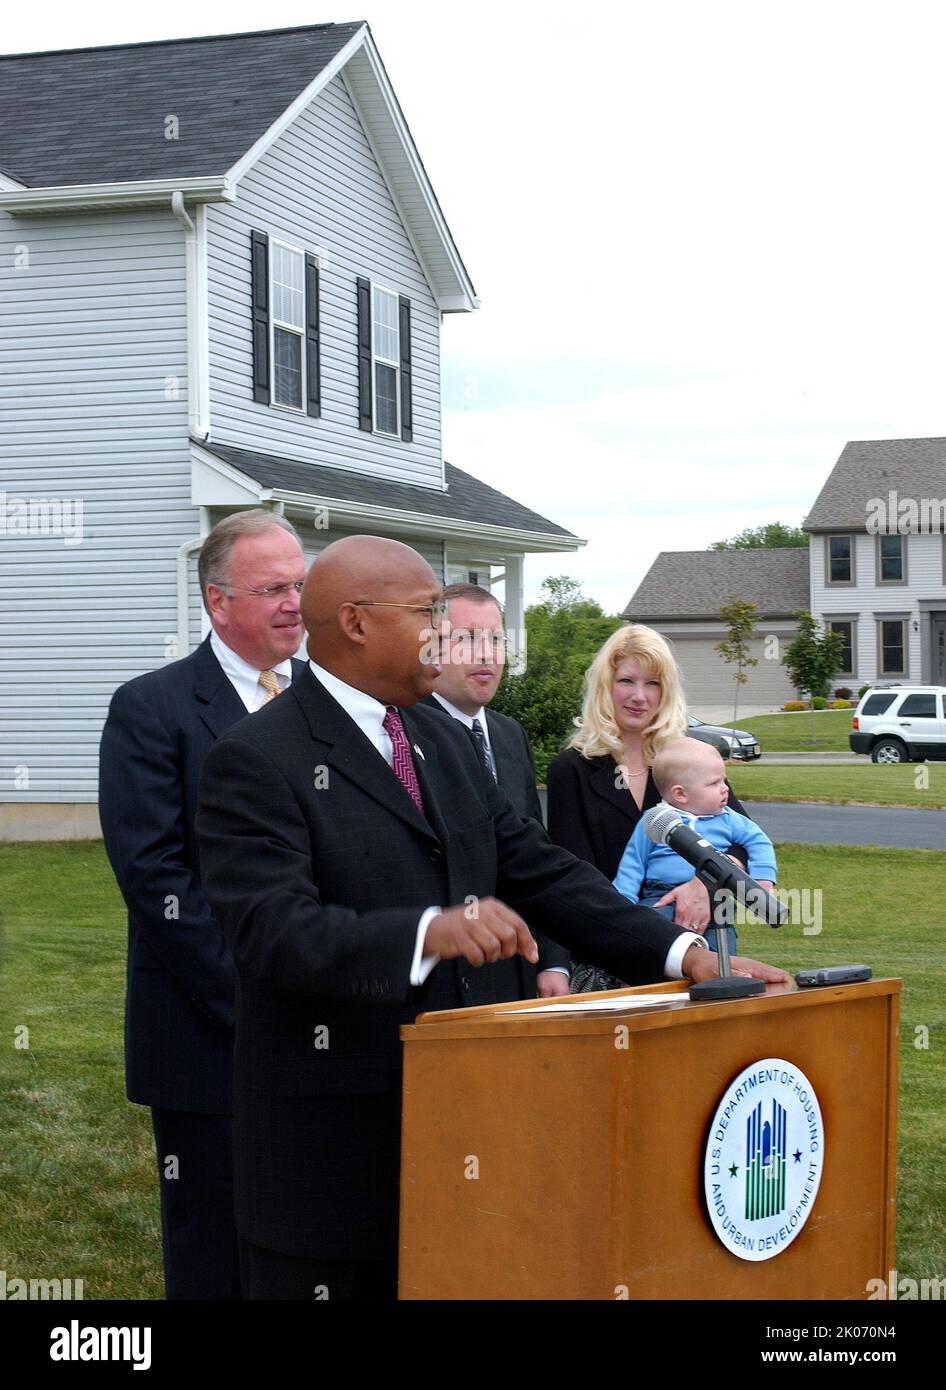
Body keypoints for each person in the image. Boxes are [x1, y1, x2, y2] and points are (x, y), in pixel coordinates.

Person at [194, 536, 789, 1300]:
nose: (444, 634)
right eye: (426, 614)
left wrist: (683, 956)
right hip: (333, 1161)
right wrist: (425, 934)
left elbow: (538, 869)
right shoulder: (256, 758)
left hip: (469, 1131)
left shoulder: (439, 739)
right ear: (354, 622)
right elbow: (272, 933)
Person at [98, 509, 308, 1299]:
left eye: (301, 584)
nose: (295, 602)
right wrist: (257, 998)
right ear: (219, 603)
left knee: (307, 1243)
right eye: (274, 588)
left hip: (325, 1034)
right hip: (207, 1040)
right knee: (216, 1252)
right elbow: (156, 879)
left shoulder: (324, 701)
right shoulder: (152, 708)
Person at [546, 624, 758, 991]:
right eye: (627, 681)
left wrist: (705, 883)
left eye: (653, 684)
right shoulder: (572, 769)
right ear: (605, 686)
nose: (639, 696)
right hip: (612, 954)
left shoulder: (687, 759)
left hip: (702, 946)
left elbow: (744, 843)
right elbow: (570, 877)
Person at [423, 581, 570, 997]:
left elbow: (537, 855)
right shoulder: (402, 736)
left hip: (522, 971)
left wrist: (554, 961)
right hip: (445, 982)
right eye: (466, 639)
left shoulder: (508, 735)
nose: (486, 653)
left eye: (495, 640)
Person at [612, 738, 778, 957]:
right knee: (643, 939)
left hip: (718, 902)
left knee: (721, 956)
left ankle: (726, 981)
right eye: (714, 783)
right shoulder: (655, 821)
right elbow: (633, 864)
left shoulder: (729, 819)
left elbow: (758, 841)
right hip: (660, 895)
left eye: (724, 781)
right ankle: (632, 982)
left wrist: (763, 878)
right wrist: (623, 905)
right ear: (680, 794)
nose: (724, 789)